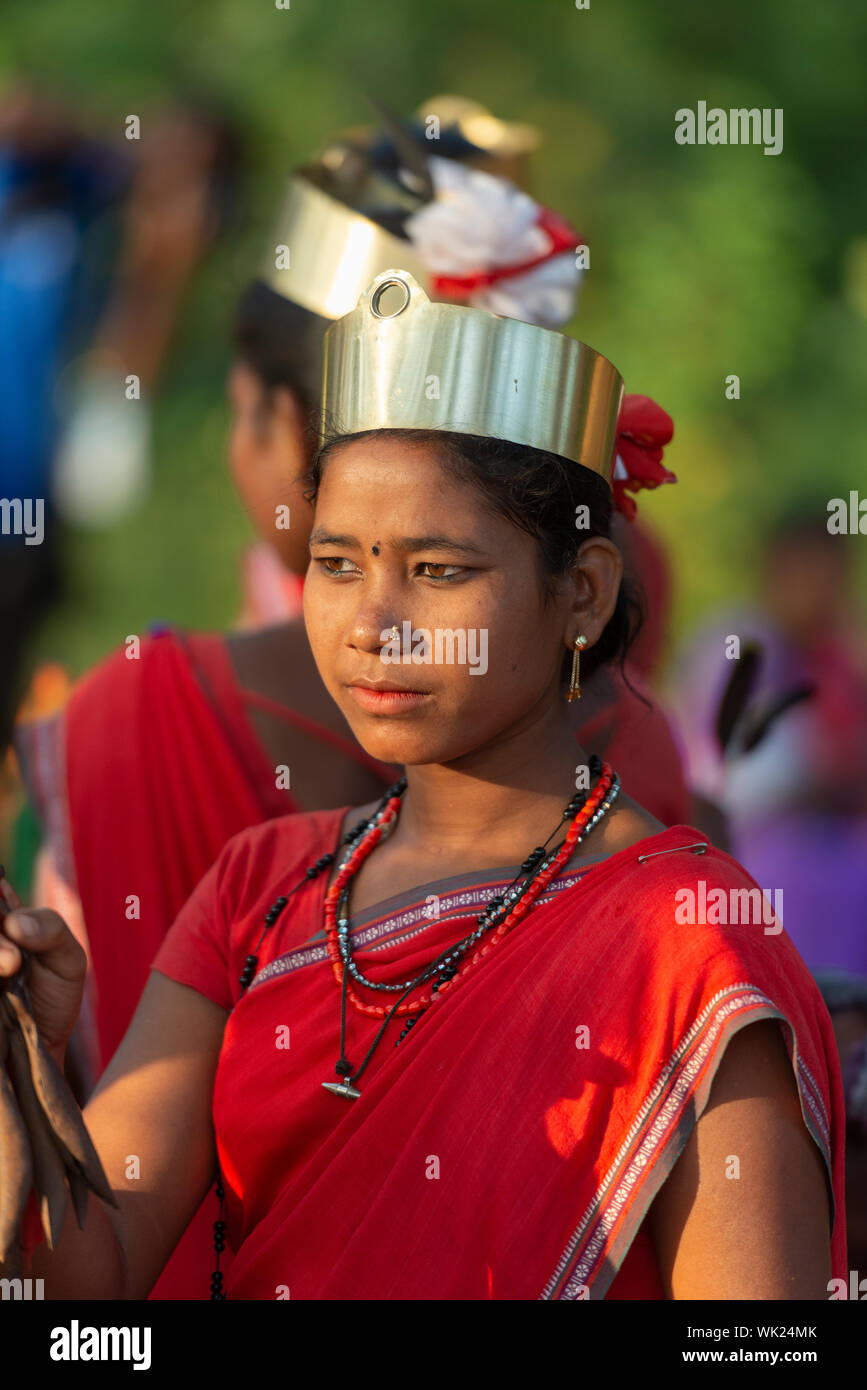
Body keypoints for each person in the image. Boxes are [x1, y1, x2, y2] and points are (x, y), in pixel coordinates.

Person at [3, 270, 846, 1299]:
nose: (371, 622)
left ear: (580, 593)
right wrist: (18, 1061)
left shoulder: (691, 944)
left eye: (439, 570)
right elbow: (83, 1280)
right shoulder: (257, 889)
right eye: (338, 562)